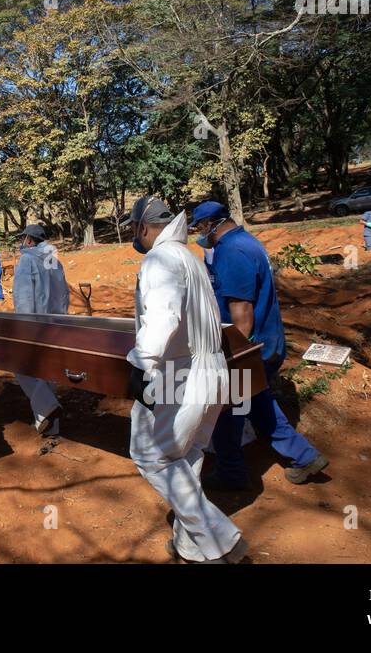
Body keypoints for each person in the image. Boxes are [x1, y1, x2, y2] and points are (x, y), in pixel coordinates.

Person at [121, 197, 247, 564]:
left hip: (180, 373)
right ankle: (192, 547)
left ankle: (220, 538)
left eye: (134, 229)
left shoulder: (159, 260)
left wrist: (141, 365)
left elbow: (163, 316)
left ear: (143, 227)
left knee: (150, 456)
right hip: (211, 371)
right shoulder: (188, 258)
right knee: (186, 454)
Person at [190, 201, 329, 489]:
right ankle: (304, 456)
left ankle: (231, 473)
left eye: (199, 228)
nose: (199, 235)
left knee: (228, 409)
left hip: (249, 346)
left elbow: (242, 313)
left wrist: (229, 358)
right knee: (258, 403)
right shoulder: (247, 241)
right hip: (265, 342)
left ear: (209, 225)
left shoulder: (231, 251)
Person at [11, 223, 66, 436]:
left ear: (30, 240)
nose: (21, 242)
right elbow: (63, 294)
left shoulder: (27, 261)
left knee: (22, 366)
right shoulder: (54, 260)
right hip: (57, 322)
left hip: (35, 325)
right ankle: (50, 426)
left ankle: (48, 410)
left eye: (23, 238)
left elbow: (24, 298)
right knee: (49, 370)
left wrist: (24, 327)